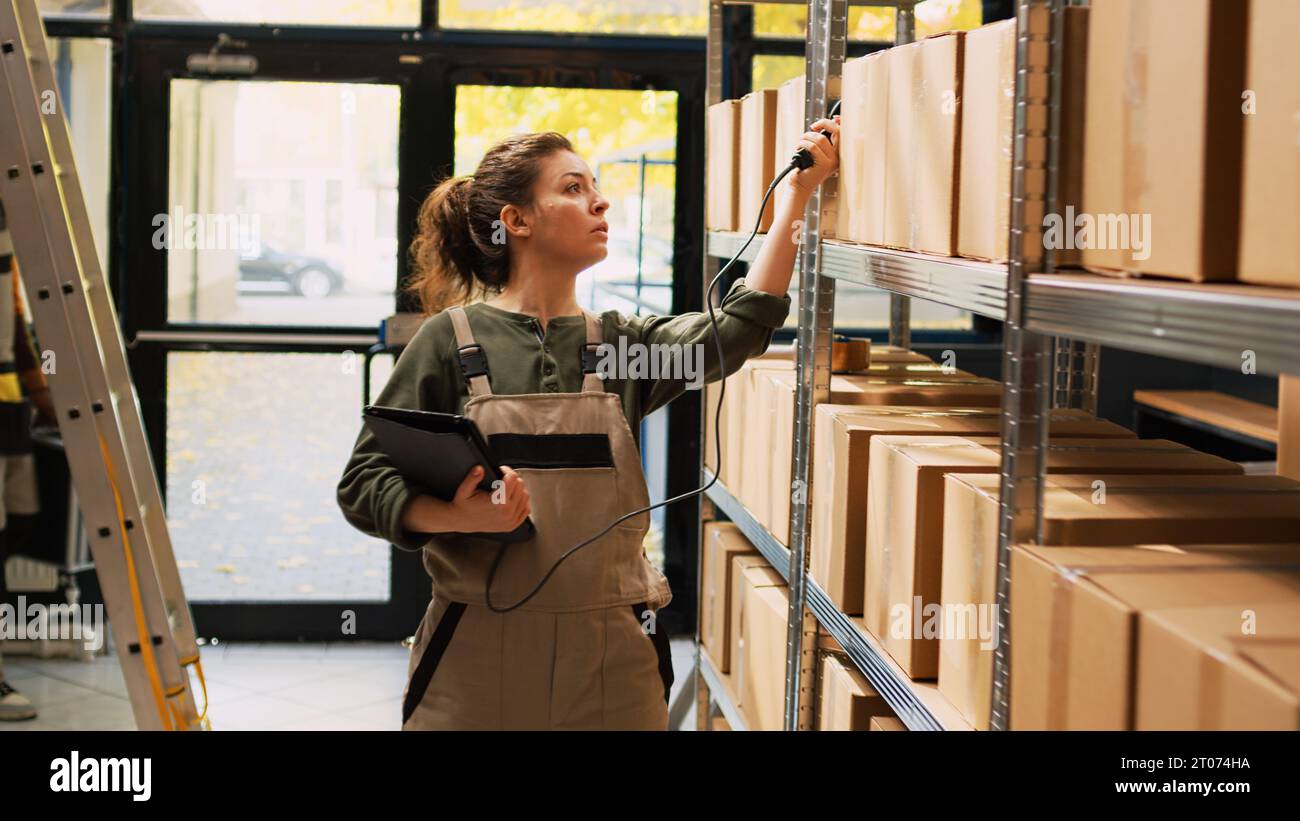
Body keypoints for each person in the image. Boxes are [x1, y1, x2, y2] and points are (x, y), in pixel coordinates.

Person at [337, 119, 840, 730]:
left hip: (613, 655)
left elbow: (735, 330)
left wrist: (797, 196)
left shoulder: (620, 346)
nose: (600, 201)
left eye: (594, 187)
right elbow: (364, 483)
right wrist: (457, 517)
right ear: (516, 221)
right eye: (573, 188)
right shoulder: (451, 341)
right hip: (475, 649)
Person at [0, 199, 59, 722]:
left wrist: (42, 399)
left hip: (8, 400)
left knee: (21, 519)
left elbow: (15, 319)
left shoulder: (5, 223)